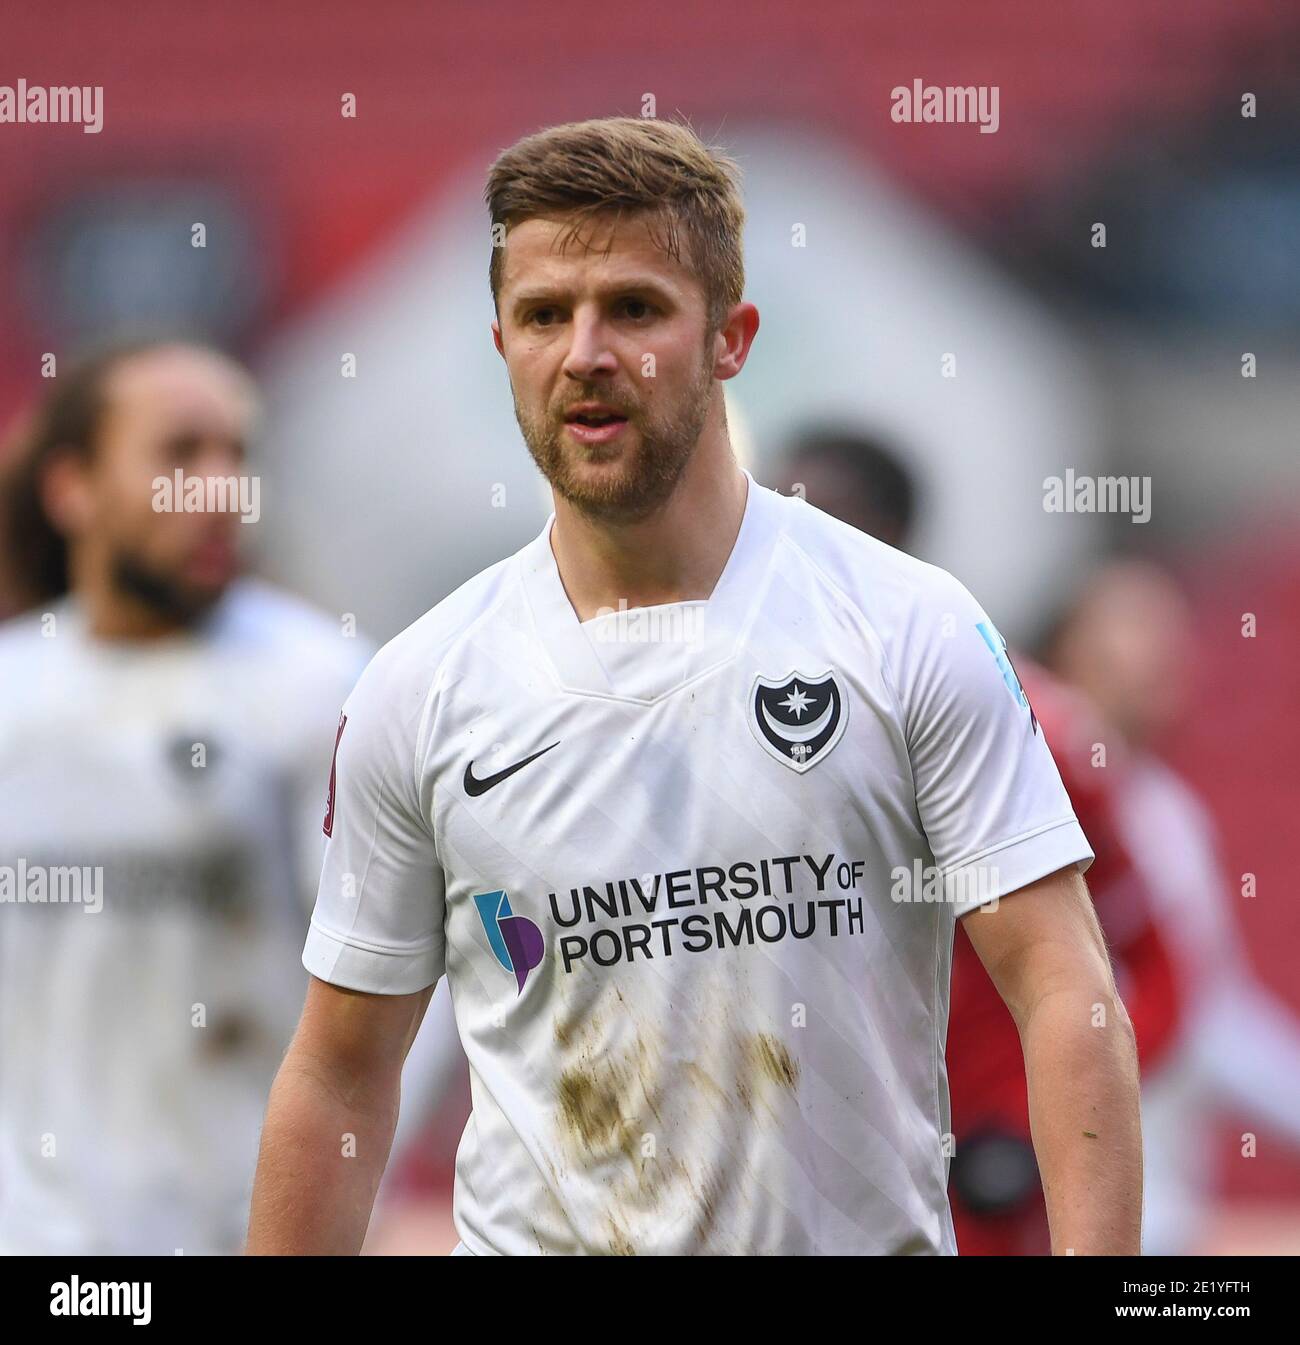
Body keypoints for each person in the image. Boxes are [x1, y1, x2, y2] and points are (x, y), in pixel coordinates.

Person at [247, 116, 1141, 1257]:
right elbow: (339, 1073)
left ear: (730, 338)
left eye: (632, 307)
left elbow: (1065, 989)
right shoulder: (417, 688)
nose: (584, 352)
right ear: (502, 344)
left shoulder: (909, 627)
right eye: (542, 315)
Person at [0, 338, 370, 1253]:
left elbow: (401, 990)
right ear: (72, 488)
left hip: (240, 1232)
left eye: (236, 455)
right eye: (180, 454)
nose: (219, 490)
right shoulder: (13, 697)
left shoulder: (321, 685)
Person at [772, 429, 1181, 1254]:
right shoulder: (720, 723)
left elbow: (1159, 972)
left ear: (890, 539)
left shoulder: (1037, 729)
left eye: (825, 522)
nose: (787, 552)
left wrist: (1032, 1128)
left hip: (981, 1184)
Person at [1047, 557, 1300, 1255]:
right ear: (1070, 643)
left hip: (1157, 1205)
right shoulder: (1026, 795)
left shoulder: (1169, 810)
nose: (1164, 647)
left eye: (1172, 629)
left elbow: (1208, 1007)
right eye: (1133, 624)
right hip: (1045, 1198)